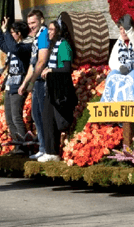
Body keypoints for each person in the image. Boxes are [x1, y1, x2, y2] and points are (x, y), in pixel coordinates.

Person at [0, 13, 32, 155]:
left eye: (12, 33)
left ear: (19, 34)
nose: (10, 35)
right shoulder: (12, 45)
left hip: (20, 83)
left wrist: (4, 31)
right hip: (10, 83)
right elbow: (2, 44)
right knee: (9, 118)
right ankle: (17, 146)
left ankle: (23, 146)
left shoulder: (26, 46)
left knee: (16, 116)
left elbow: (14, 49)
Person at [38, 18, 77, 162]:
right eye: (48, 29)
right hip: (52, 84)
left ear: (59, 31)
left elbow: (66, 68)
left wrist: (51, 70)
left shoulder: (64, 45)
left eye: (52, 29)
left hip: (61, 85)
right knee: (47, 118)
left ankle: (54, 151)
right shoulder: (55, 45)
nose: (49, 32)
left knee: (55, 119)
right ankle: (50, 151)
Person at [18, 10, 51, 160]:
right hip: (36, 80)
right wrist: (25, 83)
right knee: (36, 115)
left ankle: (47, 149)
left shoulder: (44, 34)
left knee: (42, 115)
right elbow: (33, 63)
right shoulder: (36, 36)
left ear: (41, 20)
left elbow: (41, 61)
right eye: (29, 23)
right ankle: (43, 147)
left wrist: (31, 81)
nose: (31, 26)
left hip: (43, 80)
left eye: (34, 23)